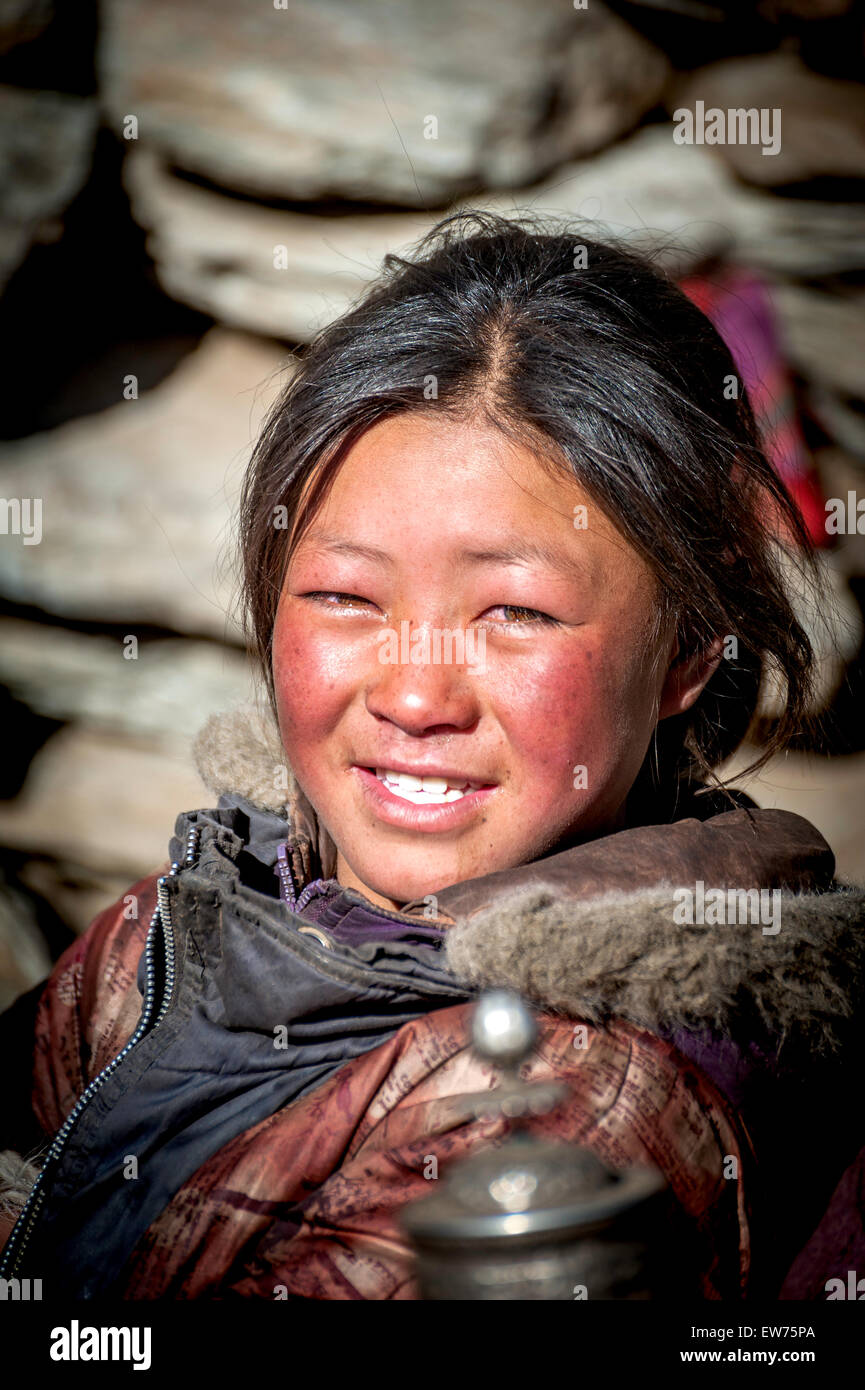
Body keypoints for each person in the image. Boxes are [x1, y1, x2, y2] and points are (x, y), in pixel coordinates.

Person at [1, 210, 862, 1301]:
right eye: (345, 597)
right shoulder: (198, 915)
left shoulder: (574, 1107)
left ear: (687, 650)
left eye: (514, 613)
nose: (412, 694)